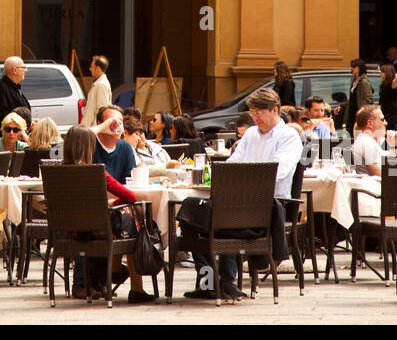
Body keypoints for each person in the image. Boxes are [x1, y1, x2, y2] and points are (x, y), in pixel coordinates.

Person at [183, 87, 299, 301]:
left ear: (275, 110)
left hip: (269, 205)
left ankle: (226, 280)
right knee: (190, 214)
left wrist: (238, 181)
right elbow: (233, 163)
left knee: (221, 216)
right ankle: (209, 281)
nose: (255, 118)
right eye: (252, 113)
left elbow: (277, 172)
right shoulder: (252, 134)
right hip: (237, 201)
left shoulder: (289, 136)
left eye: (259, 113)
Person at [61, 125, 155, 304]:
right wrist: (112, 204)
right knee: (131, 224)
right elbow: (130, 196)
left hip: (69, 230)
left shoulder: (57, 172)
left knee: (119, 223)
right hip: (96, 231)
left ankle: (107, 276)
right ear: (89, 147)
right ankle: (120, 276)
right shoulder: (96, 172)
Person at [92, 105, 136, 184]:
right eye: (112, 121)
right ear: (100, 125)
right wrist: (101, 128)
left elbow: (129, 181)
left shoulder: (125, 147)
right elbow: (74, 138)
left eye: (120, 121)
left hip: (118, 194)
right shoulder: (89, 144)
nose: (117, 125)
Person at [0, 57, 30, 142]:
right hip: (7, 141)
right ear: (14, 70)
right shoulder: (0, 88)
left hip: (18, 139)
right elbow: (3, 116)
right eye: (23, 67)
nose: (26, 70)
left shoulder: (15, 87)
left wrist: (30, 122)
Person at [350, 106, 386, 175]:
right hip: (375, 184)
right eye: (382, 120)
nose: (385, 123)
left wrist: (395, 146)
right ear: (370, 123)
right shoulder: (367, 143)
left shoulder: (366, 140)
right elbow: (379, 174)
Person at [81, 54, 113, 126]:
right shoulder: (99, 84)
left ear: (98, 69)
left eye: (92, 67)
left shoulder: (101, 85)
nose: (90, 69)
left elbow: (102, 110)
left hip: (95, 130)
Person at [345, 59, 373, 136]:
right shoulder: (354, 80)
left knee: (358, 133)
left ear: (359, 68)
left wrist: (363, 111)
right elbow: (352, 97)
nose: (352, 68)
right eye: (352, 66)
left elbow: (368, 98)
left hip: (359, 112)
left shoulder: (363, 82)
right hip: (352, 112)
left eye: (354, 66)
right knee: (350, 133)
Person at [378, 64, 397, 129]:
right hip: (385, 112)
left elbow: (393, 87)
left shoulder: (390, 84)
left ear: (387, 73)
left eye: (382, 72)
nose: (380, 73)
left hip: (390, 114)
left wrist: (394, 83)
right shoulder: (384, 84)